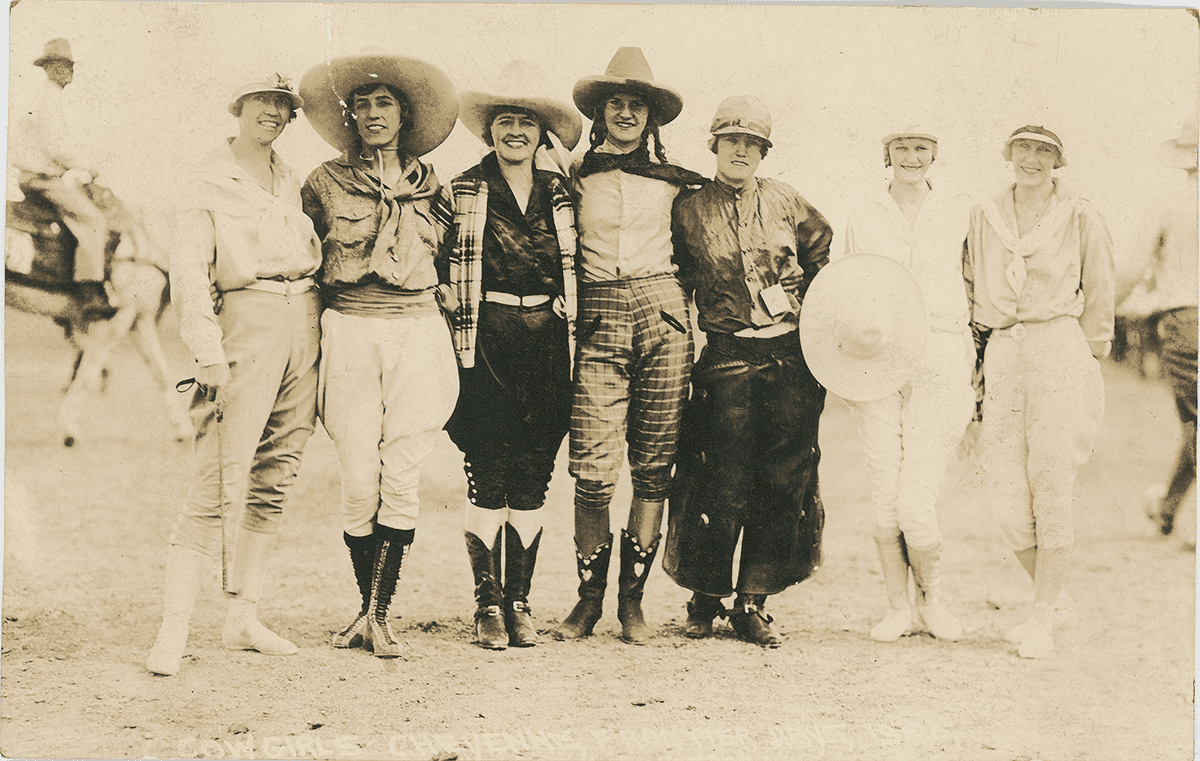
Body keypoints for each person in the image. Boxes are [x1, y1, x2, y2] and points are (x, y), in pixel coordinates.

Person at [147, 75, 321, 677]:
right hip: (248, 320)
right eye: (261, 103)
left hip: (307, 316)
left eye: (282, 105)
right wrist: (207, 351)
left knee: (278, 472)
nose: (272, 112)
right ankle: (174, 628)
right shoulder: (205, 181)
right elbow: (190, 275)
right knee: (218, 475)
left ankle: (243, 615)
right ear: (238, 108)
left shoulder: (290, 177)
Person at [299, 50, 459, 658]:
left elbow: (454, 261)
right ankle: (365, 611)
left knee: (404, 471)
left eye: (383, 103)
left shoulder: (434, 185)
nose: (371, 114)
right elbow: (306, 265)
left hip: (417, 331)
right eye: (360, 105)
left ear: (404, 114)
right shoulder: (323, 181)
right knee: (358, 474)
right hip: (350, 330)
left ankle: (379, 614)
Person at [665, 96, 832, 647]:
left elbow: (823, 257)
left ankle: (753, 602)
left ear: (763, 151)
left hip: (789, 359)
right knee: (718, 477)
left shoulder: (786, 200)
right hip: (726, 355)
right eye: (731, 140)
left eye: (752, 143)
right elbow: (675, 275)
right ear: (714, 144)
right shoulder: (687, 207)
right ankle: (705, 597)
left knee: (781, 479)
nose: (741, 150)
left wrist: (804, 303)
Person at [556, 48, 705, 645]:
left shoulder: (680, 183)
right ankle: (587, 601)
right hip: (598, 313)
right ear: (600, 112)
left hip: (664, 316)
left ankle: (632, 604)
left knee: (654, 465)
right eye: (615, 103)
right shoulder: (572, 175)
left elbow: (703, 255)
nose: (624, 113)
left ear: (651, 117)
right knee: (593, 469)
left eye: (635, 105)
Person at [437, 60, 582, 649]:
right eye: (504, 121)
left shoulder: (563, 193)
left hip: (547, 341)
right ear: (489, 131)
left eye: (526, 121)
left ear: (541, 133)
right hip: (485, 335)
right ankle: (487, 606)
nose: (514, 131)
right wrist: (438, 289)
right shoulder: (463, 187)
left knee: (533, 478)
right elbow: (430, 249)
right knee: (485, 474)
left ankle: (520, 602)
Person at [964, 125, 1114, 659]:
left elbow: (1098, 292)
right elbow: (971, 285)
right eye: (1023, 149)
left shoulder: (1079, 214)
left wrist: (1087, 360)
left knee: (1051, 482)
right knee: (1005, 490)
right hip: (1004, 350)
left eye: (1044, 152)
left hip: (1058, 347)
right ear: (1008, 154)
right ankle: (1055, 597)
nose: (1032, 160)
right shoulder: (984, 214)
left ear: (1057, 160)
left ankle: (1043, 615)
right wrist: (978, 363)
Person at [841, 127, 976, 642]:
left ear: (935, 154)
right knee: (884, 494)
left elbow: (975, 281)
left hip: (941, 351)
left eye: (922, 148)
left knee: (915, 503)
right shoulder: (864, 212)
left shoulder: (959, 211)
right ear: (887, 153)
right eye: (902, 148)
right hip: (876, 356)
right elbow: (846, 283)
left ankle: (933, 602)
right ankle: (898, 607)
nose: (912, 158)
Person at [1115, 118, 1198, 539]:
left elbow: (1130, 269)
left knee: (1197, 426)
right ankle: (1168, 506)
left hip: (1187, 320)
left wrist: (1098, 313)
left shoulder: (1169, 203)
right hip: (1187, 320)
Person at [9, 38, 115, 320]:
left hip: (41, 177)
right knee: (94, 219)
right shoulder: (48, 98)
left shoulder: (46, 96)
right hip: (43, 179)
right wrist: (88, 166)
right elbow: (54, 146)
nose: (68, 70)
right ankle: (90, 290)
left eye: (69, 65)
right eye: (60, 65)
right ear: (48, 67)